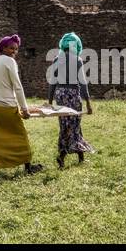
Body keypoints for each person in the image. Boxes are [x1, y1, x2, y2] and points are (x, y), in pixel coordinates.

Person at [0, 34, 43, 177]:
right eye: (11, 48)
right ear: (3, 48)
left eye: (16, 49)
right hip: (7, 107)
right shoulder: (9, 62)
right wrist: (25, 109)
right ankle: (28, 168)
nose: (14, 52)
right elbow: (18, 86)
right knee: (20, 136)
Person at [47, 32, 94, 167]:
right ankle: (62, 156)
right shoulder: (77, 59)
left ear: (64, 45)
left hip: (60, 94)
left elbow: (52, 82)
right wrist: (88, 103)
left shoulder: (57, 59)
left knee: (65, 125)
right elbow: (83, 82)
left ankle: (79, 157)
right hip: (73, 94)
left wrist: (50, 102)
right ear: (76, 45)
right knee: (74, 124)